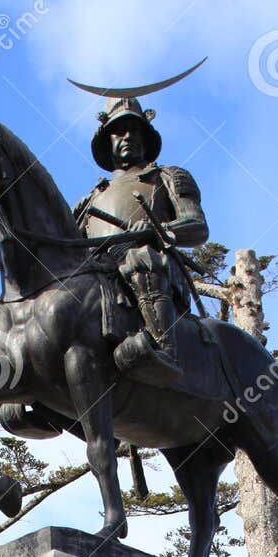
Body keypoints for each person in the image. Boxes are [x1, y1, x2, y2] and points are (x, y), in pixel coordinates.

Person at [73, 95, 208, 388]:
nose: (127, 136)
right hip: (102, 276)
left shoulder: (167, 177)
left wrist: (156, 230)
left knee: (141, 259)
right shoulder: (90, 200)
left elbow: (196, 225)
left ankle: (164, 351)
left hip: (155, 270)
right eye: (118, 131)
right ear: (106, 140)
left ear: (146, 138)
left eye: (134, 130)